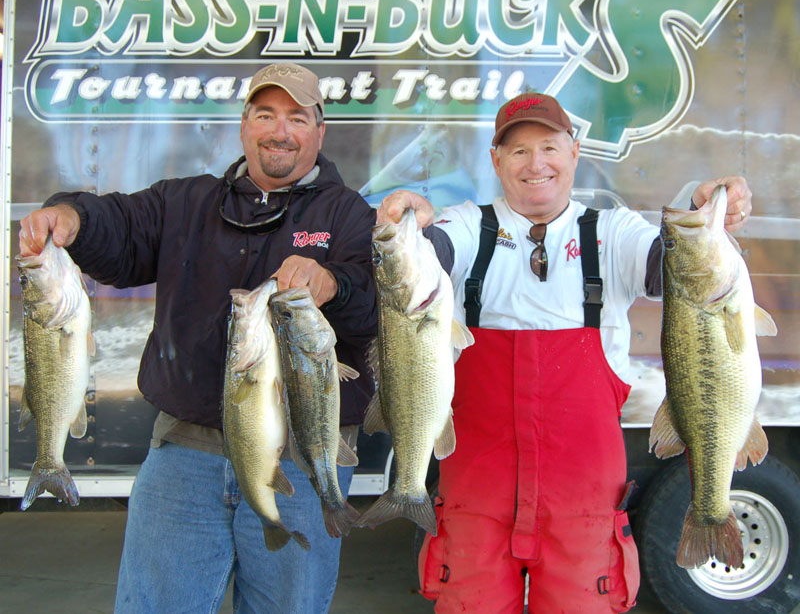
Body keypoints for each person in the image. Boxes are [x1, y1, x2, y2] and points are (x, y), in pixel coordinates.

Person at [18, 62, 378, 614]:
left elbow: (379, 310)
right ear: (243, 125)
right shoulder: (183, 202)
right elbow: (117, 228)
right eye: (265, 114)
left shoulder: (349, 214)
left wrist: (336, 283)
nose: (280, 131)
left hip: (304, 459)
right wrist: (72, 218)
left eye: (297, 117)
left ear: (319, 132)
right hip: (184, 455)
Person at [376, 92, 752, 614]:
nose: (536, 165)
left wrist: (701, 208)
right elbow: (428, 256)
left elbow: (669, 264)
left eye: (550, 147)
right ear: (496, 160)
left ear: (574, 151)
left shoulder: (612, 231)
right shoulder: (465, 226)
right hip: (474, 501)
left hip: (583, 503)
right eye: (519, 151)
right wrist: (407, 230)